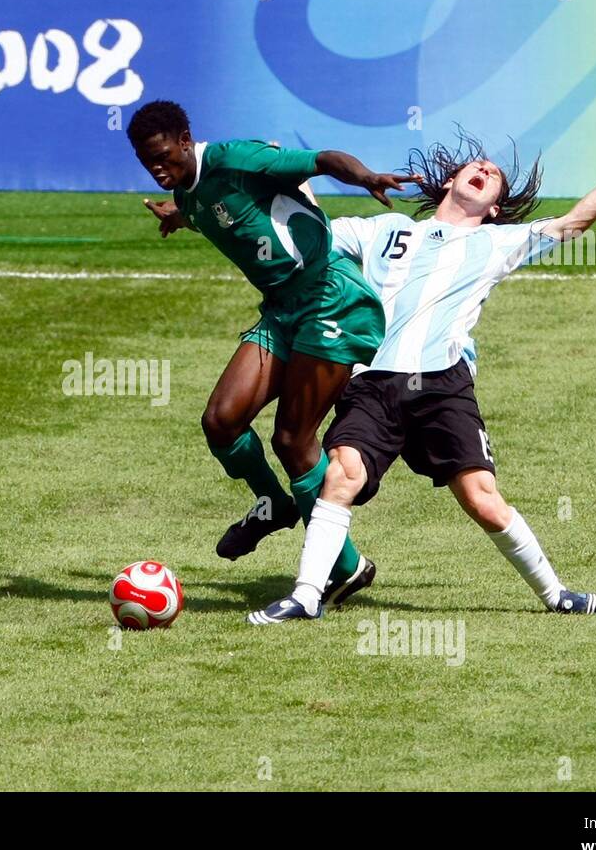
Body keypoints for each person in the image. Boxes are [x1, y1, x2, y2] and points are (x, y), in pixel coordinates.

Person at [247, 130, 596, 624]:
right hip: (373, 381)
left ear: (494, 207)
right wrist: (235, 201)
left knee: (482, 499)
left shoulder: (497, 242)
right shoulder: (381, 229)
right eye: (478, 167)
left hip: (441, 386)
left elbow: (572, 224)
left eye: (494, 176)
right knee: (342, 477)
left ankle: (557, 594)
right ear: (451, 180)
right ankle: (305, 597)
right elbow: (307, 232)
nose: (486, 171)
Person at [128, 100, 416, 605]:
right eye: (144, 158)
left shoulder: (239, 159)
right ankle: (273, 504)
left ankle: (344, 567)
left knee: (292, 439)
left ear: (185, 139)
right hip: (281, 311)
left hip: (330, 299)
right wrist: (180, 215)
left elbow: (323, 160)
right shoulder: (185, 190)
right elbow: (221, 214)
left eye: (162, 153)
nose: (155, 165)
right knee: (221, 420)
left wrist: (365, 175)